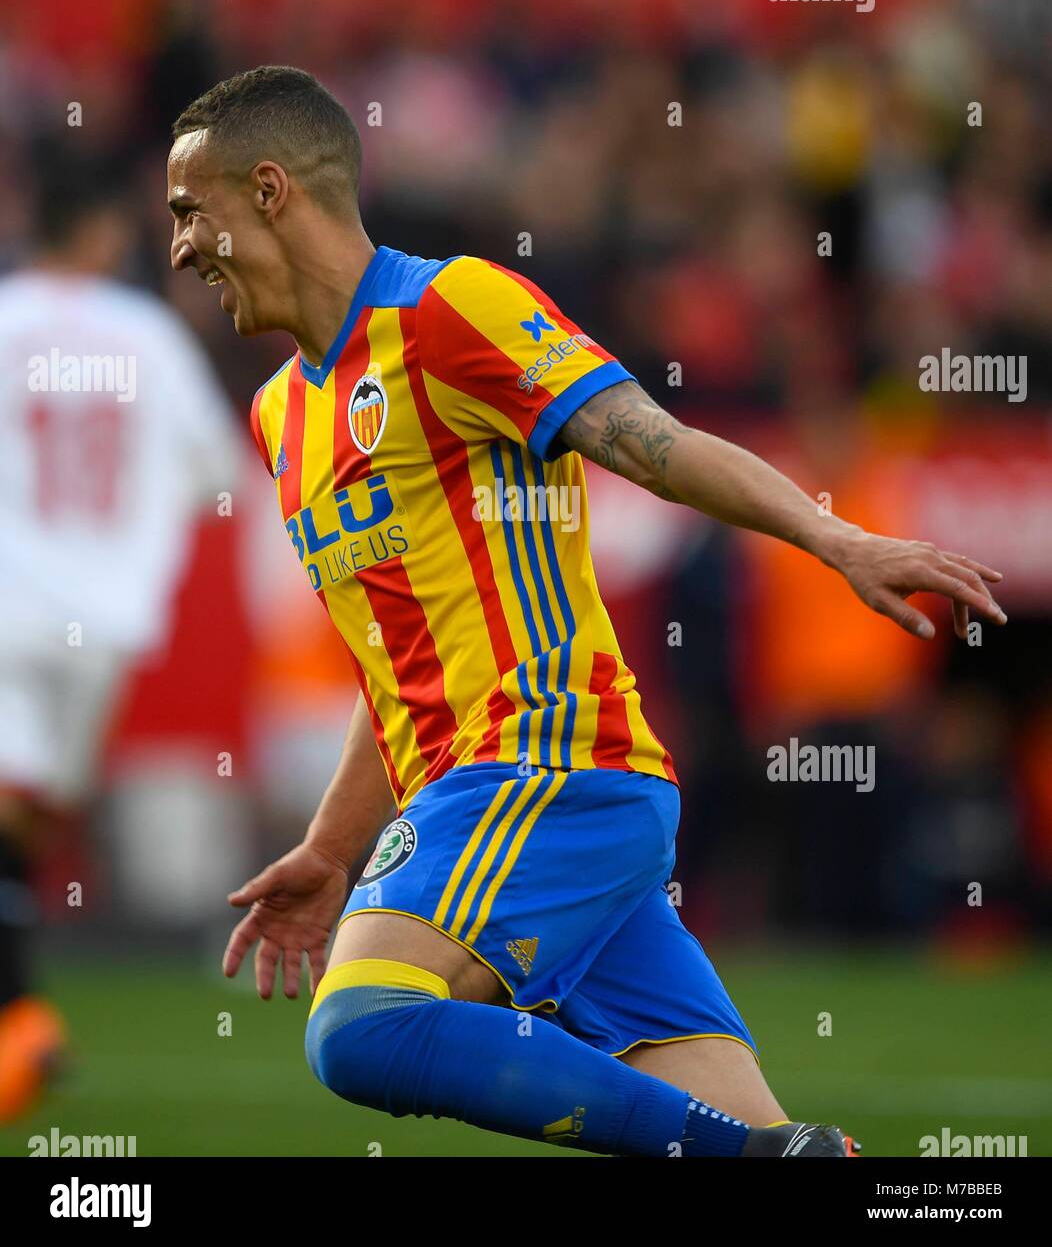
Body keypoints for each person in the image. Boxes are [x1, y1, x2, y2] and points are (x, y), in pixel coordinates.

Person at [169, 66, 1006, 1157]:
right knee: (764, 1138)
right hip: (515, 807)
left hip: (546, 766)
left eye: (193, 210)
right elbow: (398, 666)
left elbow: (649, 443)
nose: (182, 245)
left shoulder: (447, 307)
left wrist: (833, 536)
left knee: (360, 1026)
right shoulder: (282, 415)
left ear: (270, 189)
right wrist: (333, 848)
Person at [0, 142, 237, 1121]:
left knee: (13, 826)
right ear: (100, 231)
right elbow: (213, 469)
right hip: (107, 620)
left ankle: (20, 1013)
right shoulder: (149, 334)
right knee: (27, 817)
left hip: (7, 599)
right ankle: (23, 1013)